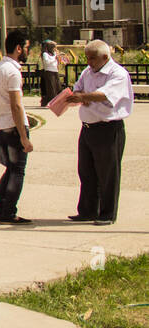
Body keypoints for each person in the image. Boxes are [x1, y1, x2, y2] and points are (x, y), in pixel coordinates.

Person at [69, 39, 133, 226]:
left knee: (107, 173)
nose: (89, 62)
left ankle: (107, 213)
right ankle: (88, 210)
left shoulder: (118, 74)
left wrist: (85, 97)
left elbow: (105, 94)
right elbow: (78, 88)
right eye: (87, 58)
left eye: (93, 59)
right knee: (86, 171)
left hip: (107, 128)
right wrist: (80, 95)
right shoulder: (87, 72)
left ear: (105, 57)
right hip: (88, 127)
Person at [0, 30, 34, 225]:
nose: (27, 51)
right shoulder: (13, 71)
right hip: (14, 126)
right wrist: (24, 136)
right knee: (17, 171)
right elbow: (16, 105)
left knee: (10, 169)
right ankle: (8, 211)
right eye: (26, 48)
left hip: (1, 124)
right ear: (18, 48)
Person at [39, 41, 62, 106]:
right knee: (51, 87)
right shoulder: (45, 54)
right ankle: (51, 101)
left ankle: (57, 101)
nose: (55, 49)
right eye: (53, 47)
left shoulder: (54, 54)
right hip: (49, 71)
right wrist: (54, 58)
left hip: (55, 70)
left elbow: (56, 62)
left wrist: (58, 59)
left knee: (57, 86)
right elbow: (47, 62)